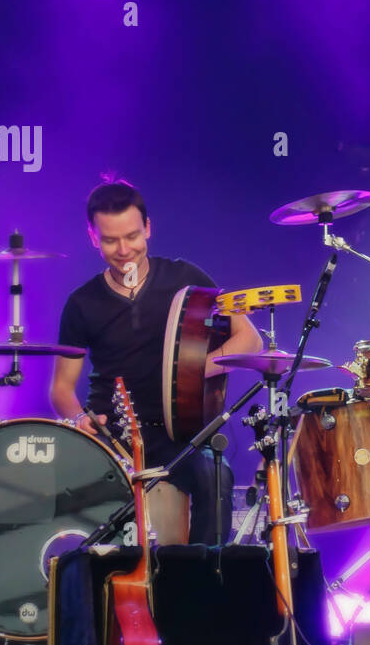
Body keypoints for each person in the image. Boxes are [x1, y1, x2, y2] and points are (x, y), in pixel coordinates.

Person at [50, 180, 262, 545]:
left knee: (217, 477)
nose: (124, 250)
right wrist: (81, 420)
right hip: (114, 433)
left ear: (148, 228)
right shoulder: (81, 303)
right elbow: (61, 389)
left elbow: (250, 339)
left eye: (132, 236)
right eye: (111, 240)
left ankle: (200, 583)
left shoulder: (187, 279)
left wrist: (190, 373)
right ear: (93, 237)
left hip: (182, 431)